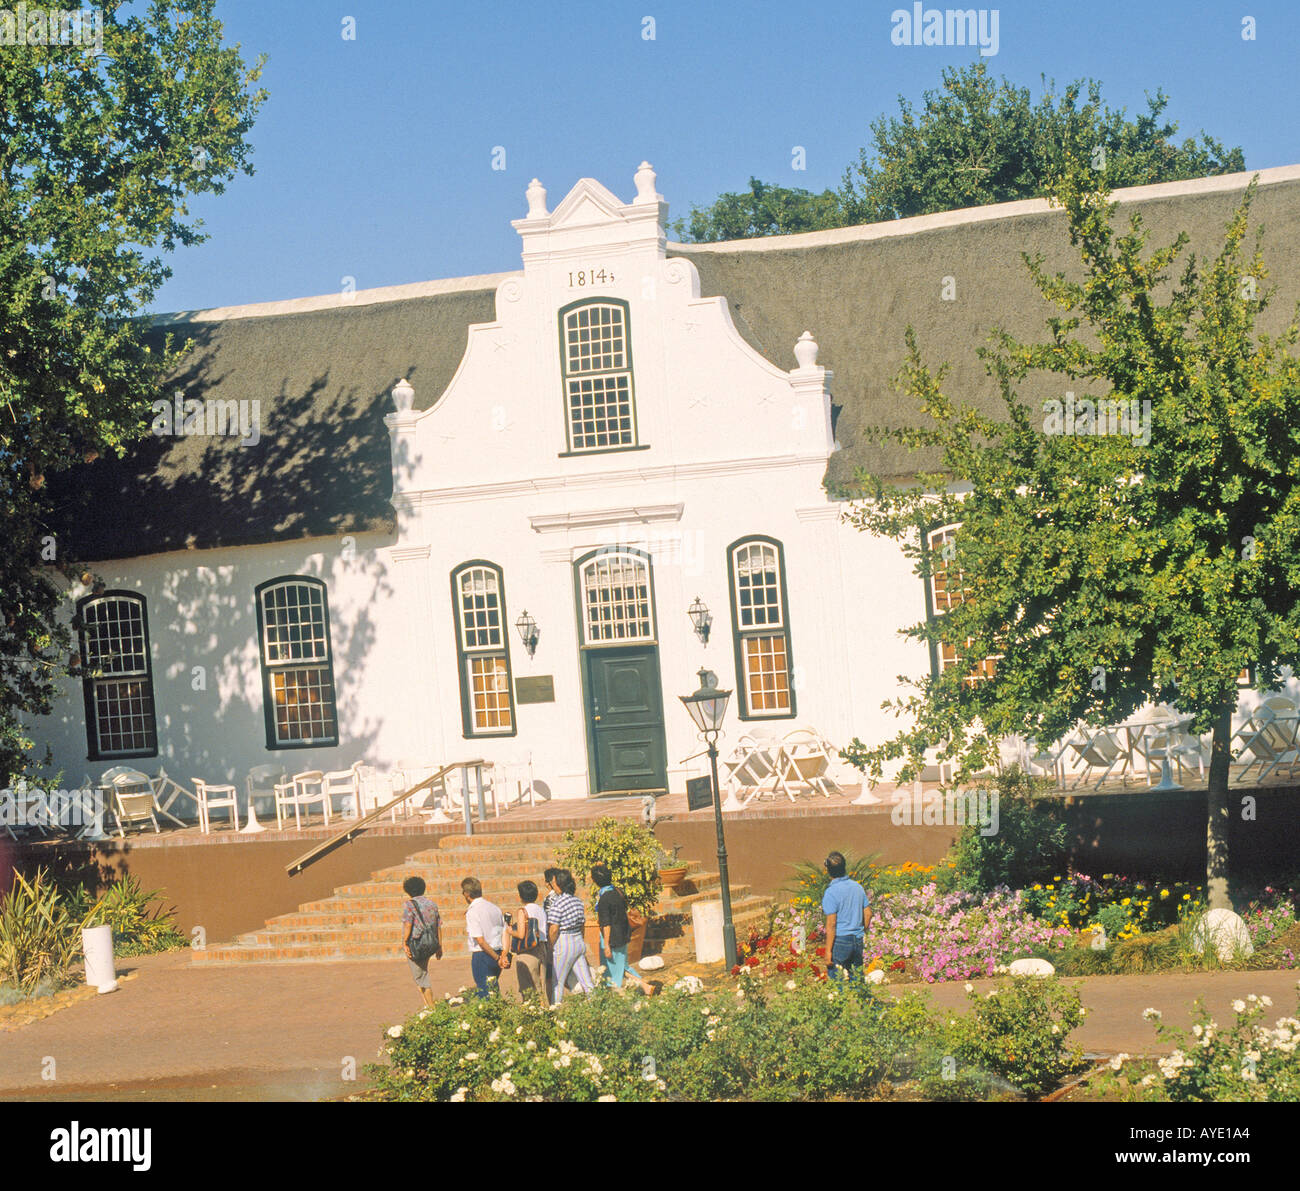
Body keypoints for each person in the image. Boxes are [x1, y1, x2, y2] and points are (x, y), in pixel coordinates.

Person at [590, 863, 657, 995]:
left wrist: (607, 945)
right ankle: (645, 987)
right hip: (622, 935)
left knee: (612, 969)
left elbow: (606, 924)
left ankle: (622, 993)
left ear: (595, 881)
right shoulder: (617, 891)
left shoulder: (604, 899)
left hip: (612, 939)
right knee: (622, 966)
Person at [821, 851, 872, 980]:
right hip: (857, 939)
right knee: (857, 981)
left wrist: (828, 951)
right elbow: (868, 913)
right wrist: (862, 929)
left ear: (828, 870)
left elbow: (832, 924)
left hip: (841, 940)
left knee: (837, 981)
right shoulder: (857, 887)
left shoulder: (831, 892)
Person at [546, 869, 594, 1001]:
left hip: (564, 941)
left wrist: (550, 946)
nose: (553, 885)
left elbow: (554, 929)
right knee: (587, 981)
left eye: (554, 883)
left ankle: (556, 1012)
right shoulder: (577, 901)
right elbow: (582, 924)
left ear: (560, 884)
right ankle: (596, 1007)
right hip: (578, 938)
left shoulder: (558, 903)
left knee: (558, 982)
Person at [461, 876, 507, 998]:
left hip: (483, 954)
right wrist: (502, 955)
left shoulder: (473, 911)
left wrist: (497, 958)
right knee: (493, 990)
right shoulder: (494, 908)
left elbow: (480, 940)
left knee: (485, 994)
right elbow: (504, 932)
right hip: (497, 950)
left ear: (467, 894)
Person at [506, 879, 551, 1005]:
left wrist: (509, 931)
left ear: (521, 896)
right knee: (540, 988)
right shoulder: (541, 910)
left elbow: (521, 934)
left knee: (528, 989)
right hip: (542, 948)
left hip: (528, 951)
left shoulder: (523, 911)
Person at [400, 875, 442, 1007]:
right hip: (430, 943)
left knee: (421, 977)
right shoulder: (432, 904)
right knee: (422, 972)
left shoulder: (409, 905)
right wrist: (439, 946)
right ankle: (426, 1005)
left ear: (407, 890)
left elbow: (408, 924)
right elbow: (438, 925)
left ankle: (432, 1008)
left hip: (416, 944)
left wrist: (405, 942)